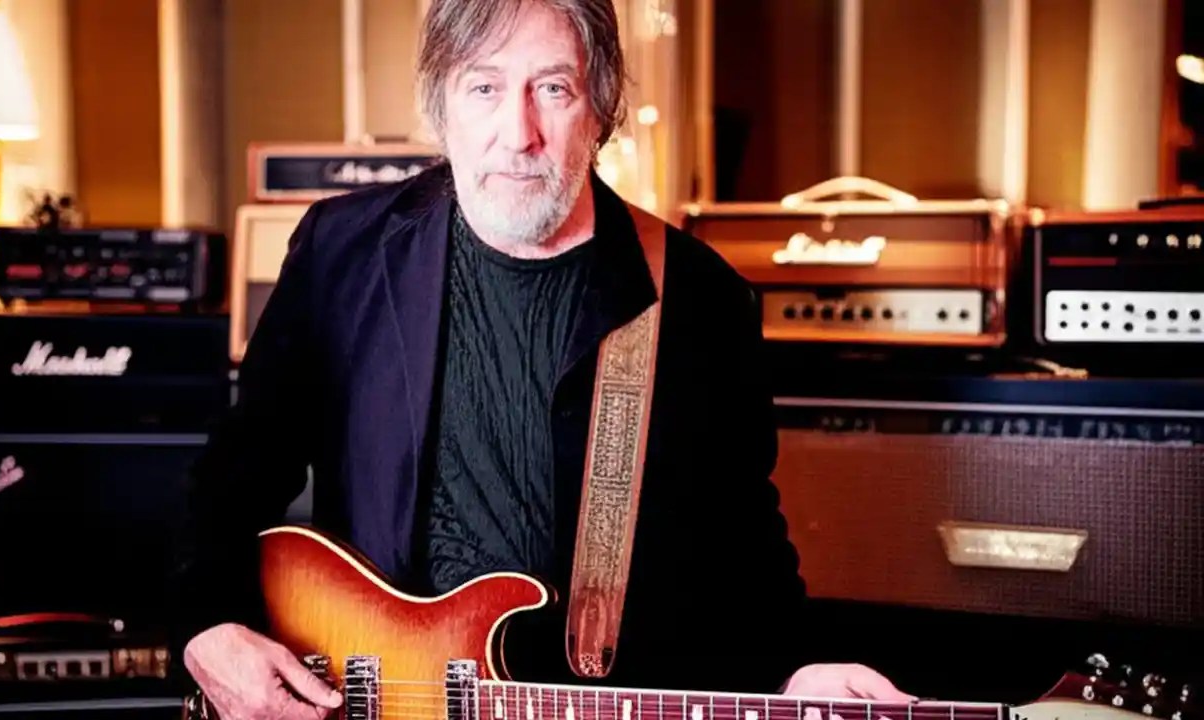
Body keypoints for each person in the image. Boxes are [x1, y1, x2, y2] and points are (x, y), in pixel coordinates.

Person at [171, 0, 913, 717]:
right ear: (442, 107)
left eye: (552, 89)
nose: (516, 132)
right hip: (371, 696)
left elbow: (741, 535)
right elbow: (238, 471)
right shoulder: (343, 250)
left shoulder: (699, 295)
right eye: (484, 86)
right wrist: (206, 624)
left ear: (601, 109)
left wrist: (798, 667)